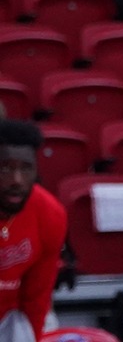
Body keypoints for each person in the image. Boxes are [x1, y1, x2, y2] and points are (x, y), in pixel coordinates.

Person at [0, 120, 66, 338]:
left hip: (11, 316)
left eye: (26, 168)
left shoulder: (50, 213)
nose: (16, 180)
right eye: (5, 168)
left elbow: (37, 297)